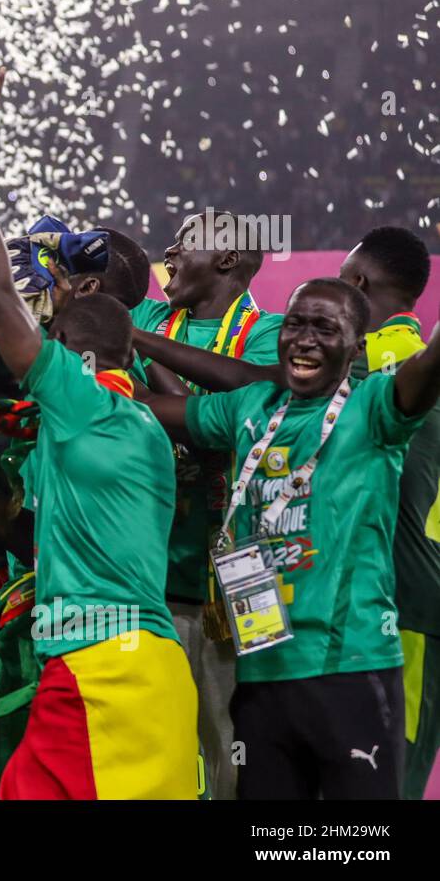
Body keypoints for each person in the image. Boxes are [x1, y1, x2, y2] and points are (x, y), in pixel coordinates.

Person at [0, 69, 198, 799]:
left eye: (45, 341)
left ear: (65, 350)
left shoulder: (83, 402)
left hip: (105, 674)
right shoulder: (133, 422)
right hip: (127, 668)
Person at [139, 276, 440, 798]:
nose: (303, 338)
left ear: (356, 343)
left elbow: (432, 363)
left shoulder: (375, 410)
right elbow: (151, 408)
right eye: (295, 324)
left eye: (325, 328)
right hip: (261, 676)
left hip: (350, 671)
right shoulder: (252, 407)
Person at [127, 210, 284, 799]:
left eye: (185, 242)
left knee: (233, 742)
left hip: (238, 578)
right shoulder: (145, 313)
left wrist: (143, 350)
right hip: (151, 573)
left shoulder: (268, 332)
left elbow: (254, 391)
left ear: (226, 260)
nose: (168, 250)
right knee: (154, 740)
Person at [340, 227, 438, 799]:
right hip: (397, 597)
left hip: (409, 602)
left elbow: (265, 388)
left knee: (389, 785)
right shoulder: (419, 357)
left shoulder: (372, 359)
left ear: (356, 283)